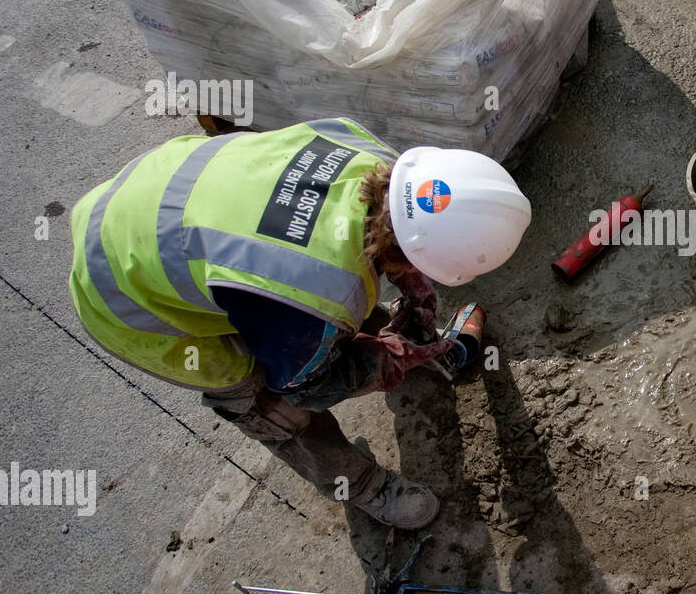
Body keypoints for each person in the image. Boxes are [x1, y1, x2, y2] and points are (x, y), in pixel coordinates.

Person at [69, 118, 530, 528]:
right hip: (120, 282)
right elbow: (305, 387)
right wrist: (379, 365)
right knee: (263, 396)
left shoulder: (366, 151)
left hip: (156, 193)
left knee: (330, 307)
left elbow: (350, 245)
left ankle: (351, 337)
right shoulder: (311, 292)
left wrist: (401, 278)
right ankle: (360, 485)